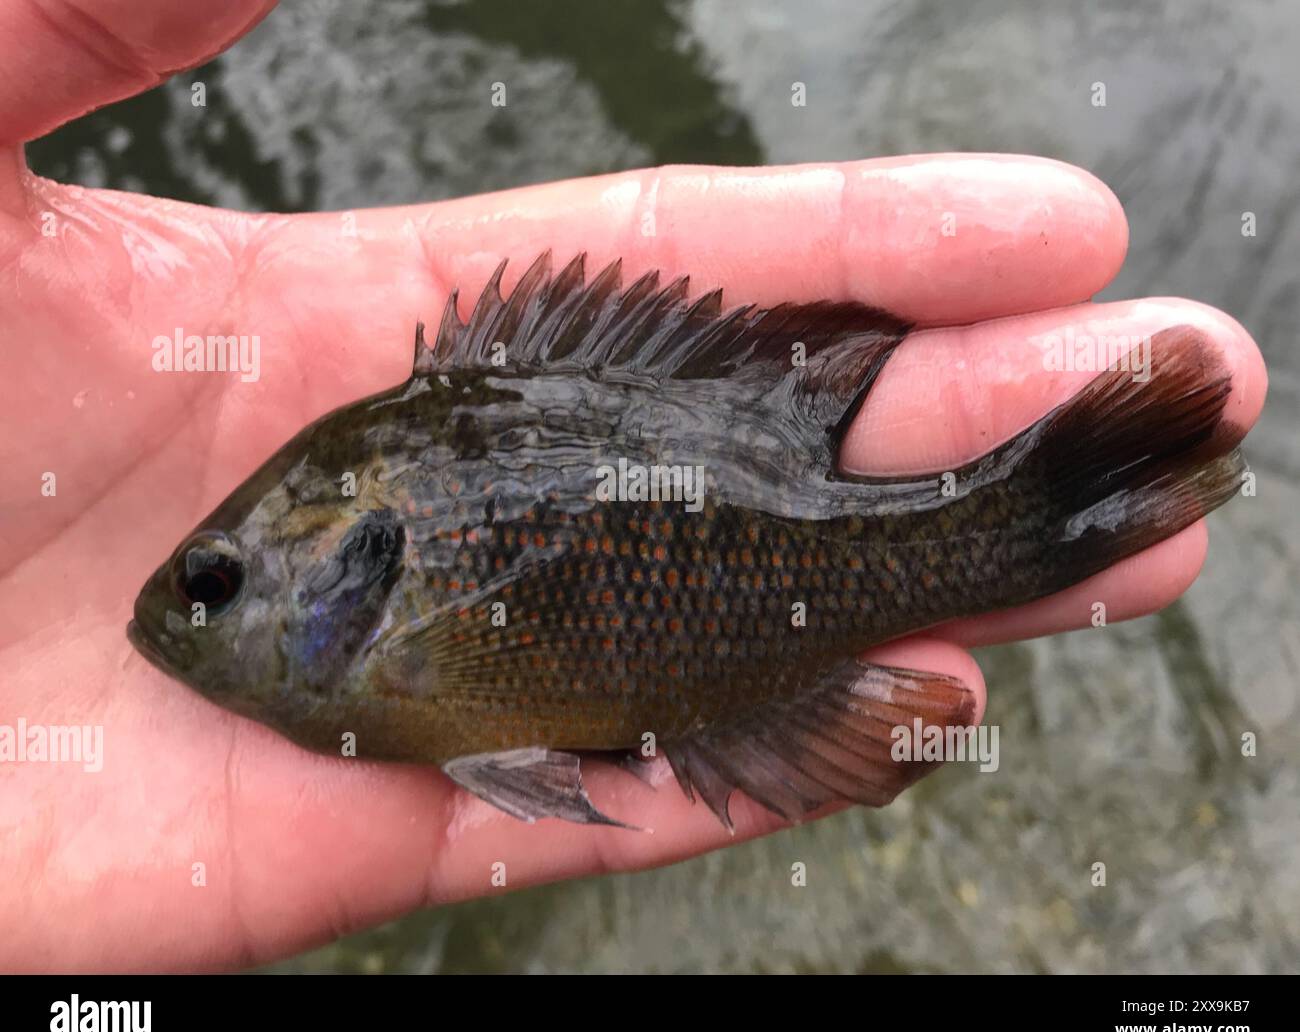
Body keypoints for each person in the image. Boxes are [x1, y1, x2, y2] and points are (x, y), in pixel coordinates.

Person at [0, 0, 1266, 972]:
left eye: (215, 584)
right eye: (207, 584)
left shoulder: (377, 613)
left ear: (357, 555)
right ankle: (1055, 512)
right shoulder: (371, 604)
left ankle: (1043, 511)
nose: (185, 610)